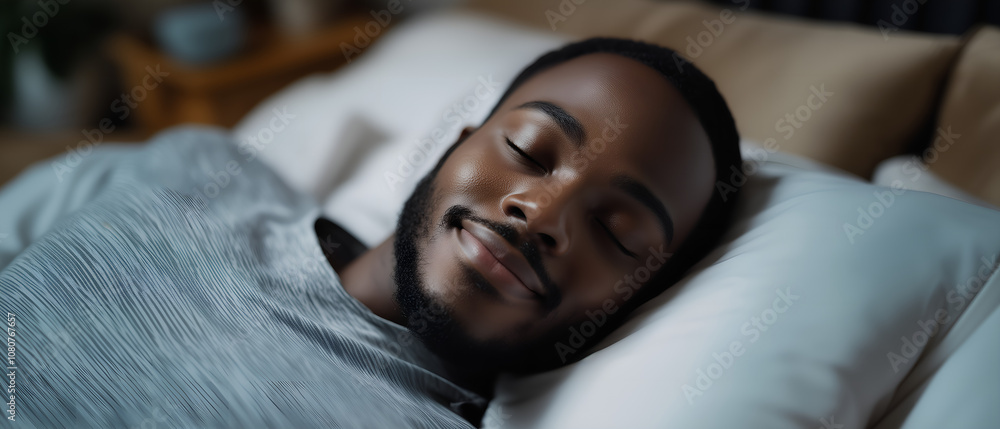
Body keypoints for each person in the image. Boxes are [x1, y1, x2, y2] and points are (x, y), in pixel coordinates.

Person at [0, 37, 741, 428]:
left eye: (617, 231)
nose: (540, 214)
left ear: (634, 301)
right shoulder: (198, 170)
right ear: (457, 143)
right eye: (528, 151)